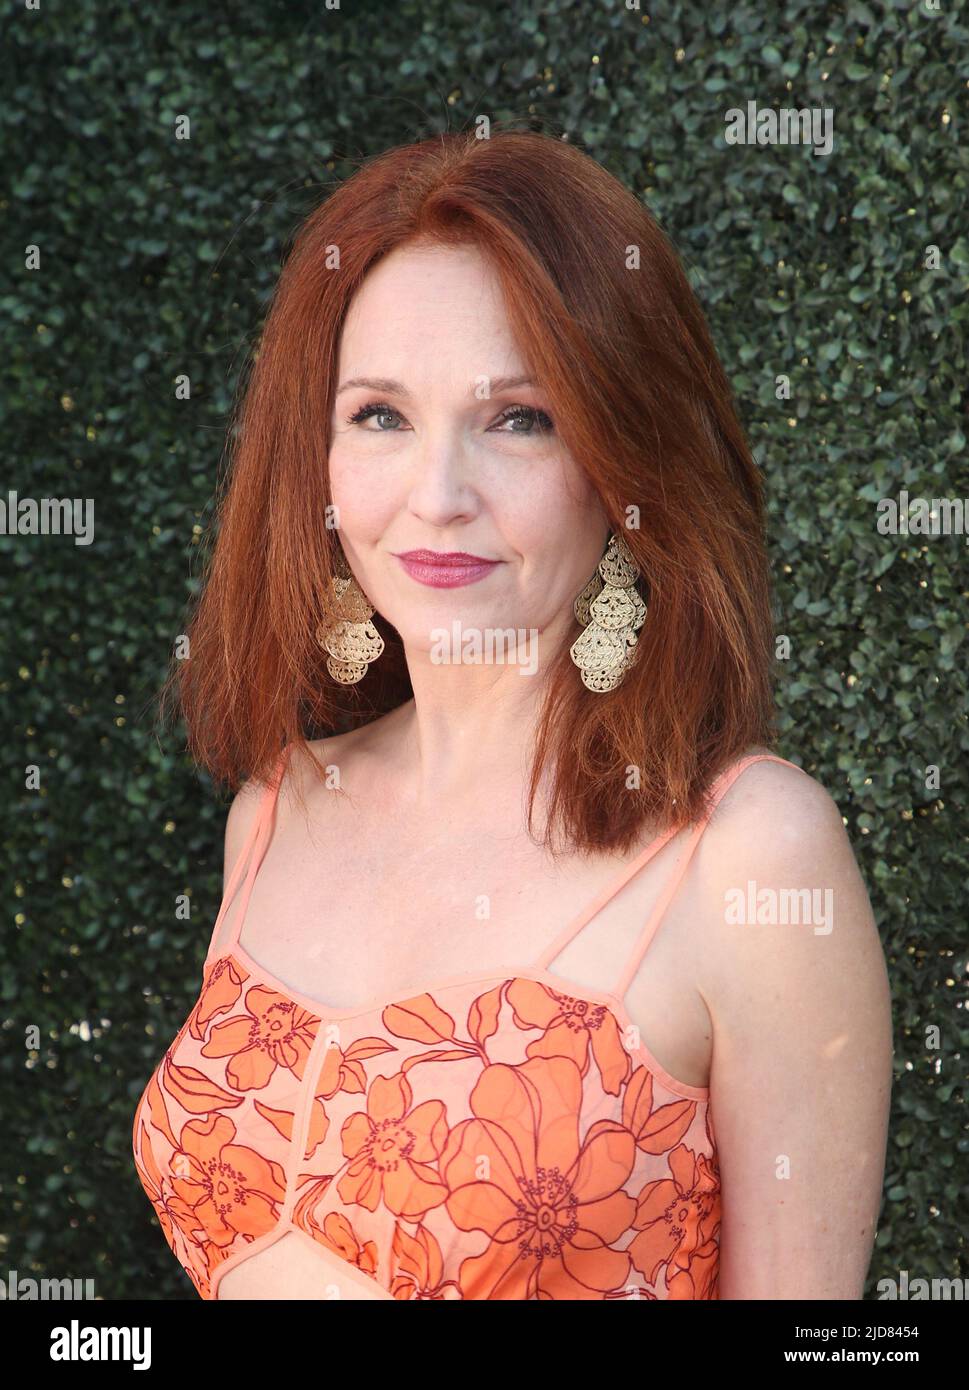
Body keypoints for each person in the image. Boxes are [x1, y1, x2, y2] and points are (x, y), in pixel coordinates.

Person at [133, 127, 892, 1301]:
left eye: (519, 418)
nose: (436, 497)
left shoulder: (748, 853)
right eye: (380, 415)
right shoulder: (275, 809)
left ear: (623, 462)